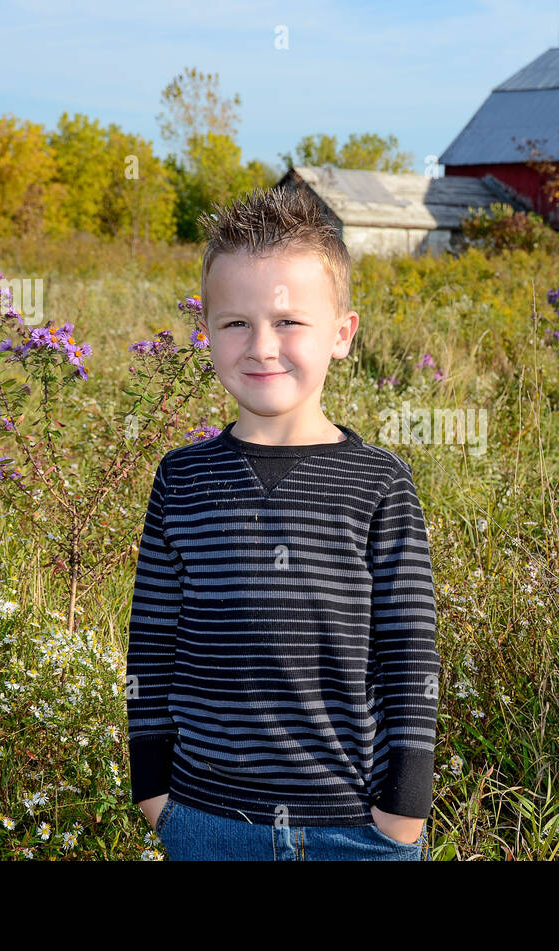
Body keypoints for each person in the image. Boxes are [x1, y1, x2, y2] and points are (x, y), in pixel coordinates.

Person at [125, 186, 441, 861]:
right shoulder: (182, 479)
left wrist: (403, 811)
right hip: (207, 820)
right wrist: (153, 792)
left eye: (290, 321)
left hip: (353, 826)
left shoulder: (379, 484)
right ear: (206, 333)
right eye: (236, 323)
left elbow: (411, 652)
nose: (262, 346)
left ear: (342, 335)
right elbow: (151, 643)